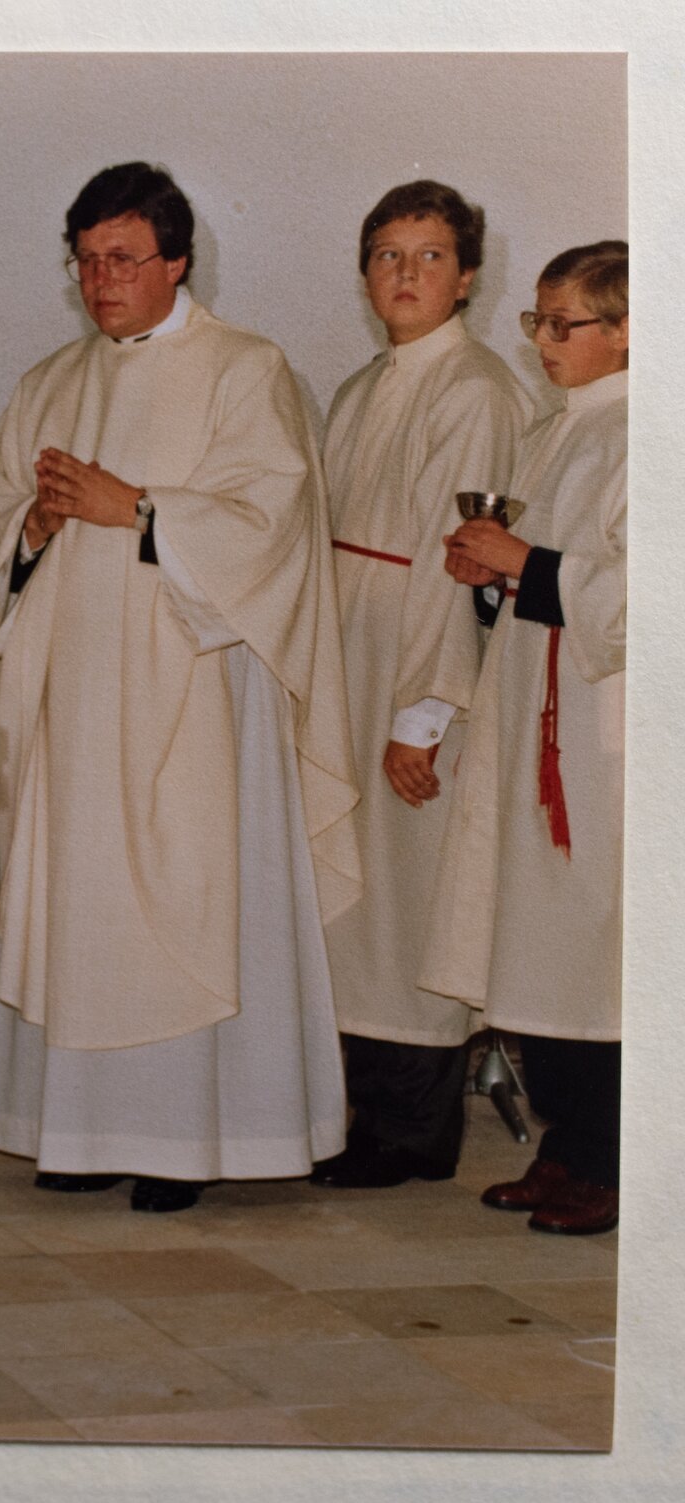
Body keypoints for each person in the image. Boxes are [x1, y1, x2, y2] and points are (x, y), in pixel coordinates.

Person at [0, 161, 360, 1214]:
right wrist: (32, 526)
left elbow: (271, 522)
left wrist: (135, 508)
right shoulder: (50, 381)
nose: (102, 282)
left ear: (177, 262)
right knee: (81, 905)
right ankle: (83, 1131)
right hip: (74, 696)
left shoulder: (245, 369)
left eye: (123, 259)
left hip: (193, 693)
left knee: (189, 900)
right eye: (86, 262)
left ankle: (183, 1141)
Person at [313, 182, 530, 1190]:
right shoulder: (360, 388)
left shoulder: (474, 390)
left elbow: (462, 566)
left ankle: (412, 1132)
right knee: (359, 903)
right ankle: (365, 1111)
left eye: (429, 256)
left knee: (408, 894)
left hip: (413, 665)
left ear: (468, 276)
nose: (405, 275)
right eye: (386, 256)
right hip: (348, 655)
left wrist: (426, 713)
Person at [424, 241, 627, 1236]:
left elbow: (650, 591)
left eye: (563, 323)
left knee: (592, 950)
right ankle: (567, 1145)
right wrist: (494, 573)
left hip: (604, 740)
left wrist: (528, 564)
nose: (543, 340)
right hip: (539, 714)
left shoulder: (652, 432)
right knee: (538, 942)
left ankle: (612, 1160)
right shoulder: (559, 426)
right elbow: (543, 569)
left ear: (627, 331)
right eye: (536, 321)